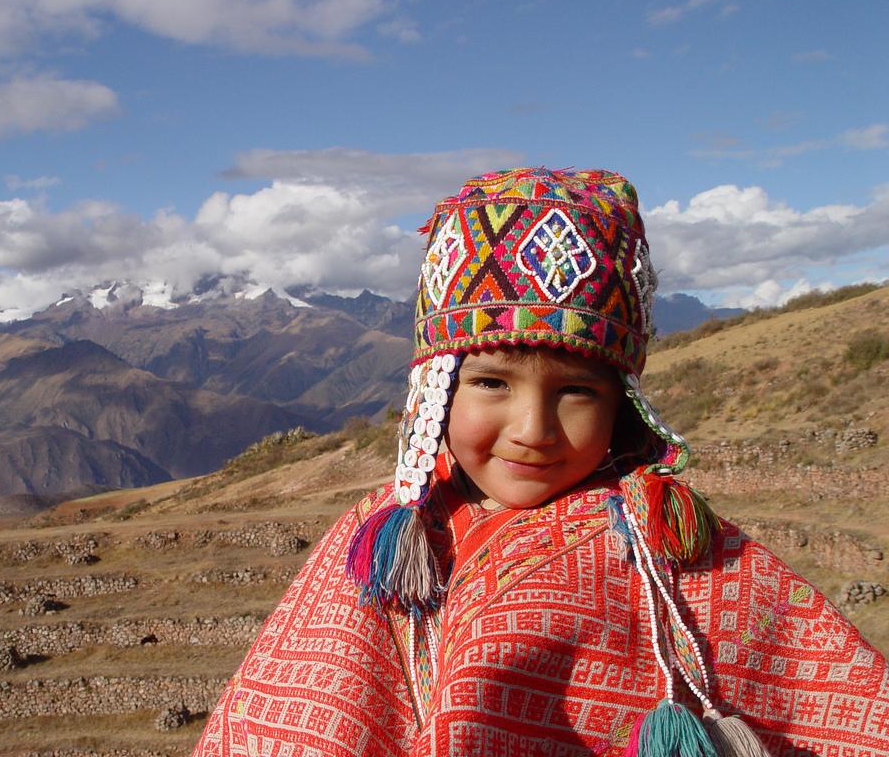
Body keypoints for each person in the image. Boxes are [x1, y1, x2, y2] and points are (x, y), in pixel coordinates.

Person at [191, 168, 889, 756]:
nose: (532, 430)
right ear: (438, 388)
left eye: (577, 391)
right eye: (492, 382)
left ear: (622, 403)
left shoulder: (675, 557)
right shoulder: (379, 539)